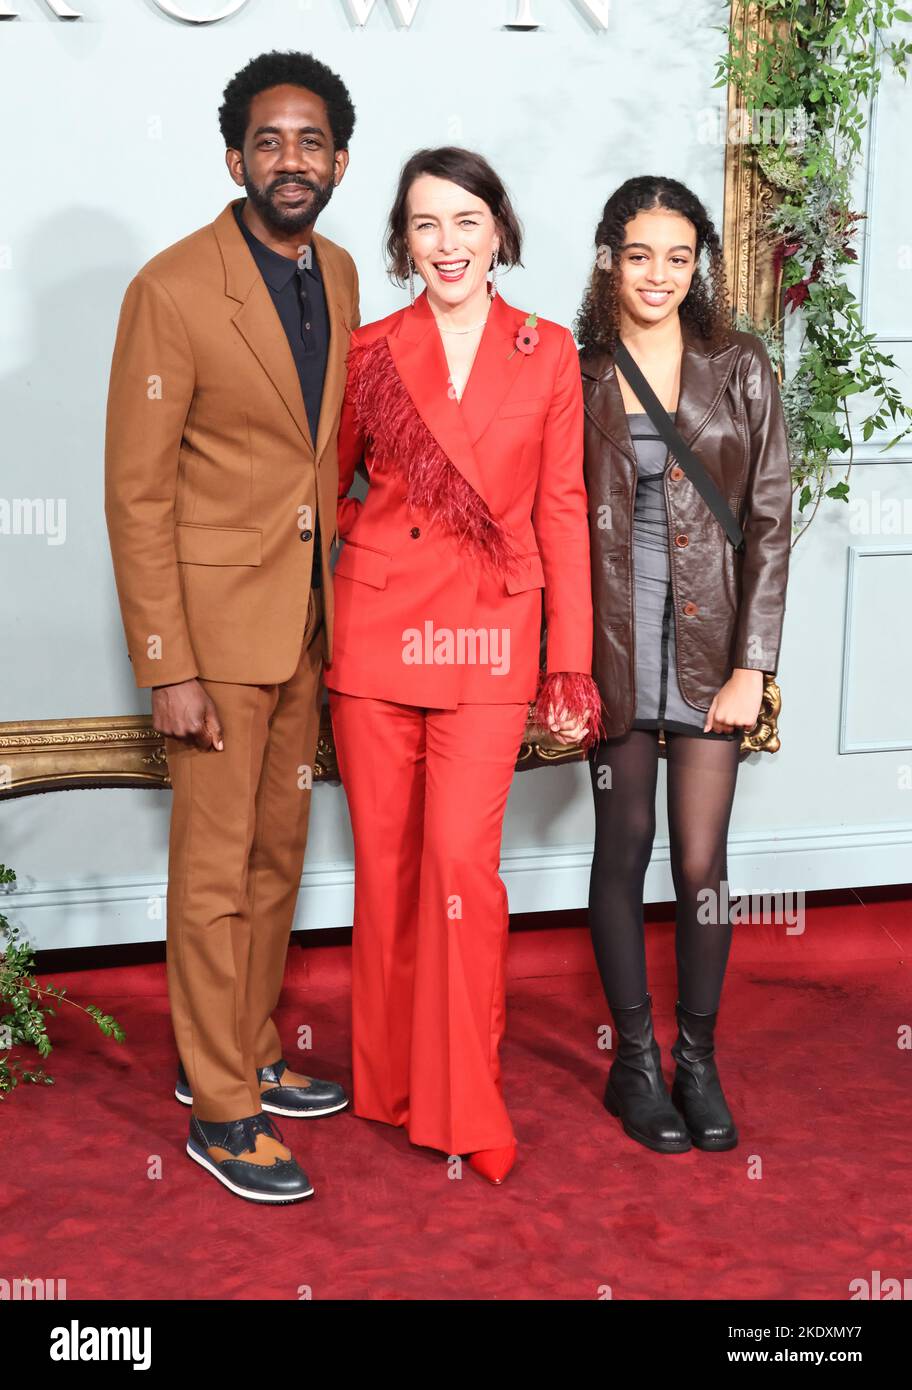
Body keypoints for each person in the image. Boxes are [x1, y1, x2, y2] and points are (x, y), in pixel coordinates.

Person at [104, 51, 359, 1204]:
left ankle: (249, 1042)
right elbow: (136, 491)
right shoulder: (170, 286)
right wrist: (168, 666)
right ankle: (220, 1109)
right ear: (233, 156)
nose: (290, 160)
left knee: (277, 858)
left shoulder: (344, 272)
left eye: (310, 142)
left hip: (308, 627)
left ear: (338, 161)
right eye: (269, 141)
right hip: (212, 639)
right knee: (211, 874)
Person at [325, 147, 601, 1185]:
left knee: (457, 872)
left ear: (500, 232)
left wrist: (566, 661)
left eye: (466, 220)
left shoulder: (550, 351)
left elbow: (563, 510)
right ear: (405, 241)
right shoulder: (371, 349)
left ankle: (462, 1099)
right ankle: (389, 1081)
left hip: (491, 640)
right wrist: (387, 535)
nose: (447, 242)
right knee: (388, 873)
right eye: (426, 224)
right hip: (378, 641)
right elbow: (331, 489)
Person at [577, 175, 791, 1155]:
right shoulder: (576, 370)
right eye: (638, 255)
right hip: (611, 640)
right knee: (620, 851)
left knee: (701, 862)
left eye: (676, 256)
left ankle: (696, 1059)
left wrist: (755, 661)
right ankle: (633, 1061)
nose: (658, 274)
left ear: (696, 262)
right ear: (609, 260)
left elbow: (772, 519)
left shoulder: (740, 365)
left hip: (711, 649)